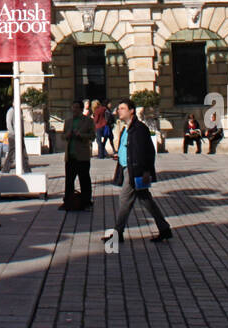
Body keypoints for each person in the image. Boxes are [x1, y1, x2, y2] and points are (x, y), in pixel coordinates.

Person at [105, 98, 172, 245]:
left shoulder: (139, 128)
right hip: (126, 168)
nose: (118, 111)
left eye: (122, 108)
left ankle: (118, 234)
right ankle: (164, 228)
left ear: (131, 111)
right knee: (146, 200)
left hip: (135, 170)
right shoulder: (125, 128)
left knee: (124, 199)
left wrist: (146, 171)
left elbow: (148, 151)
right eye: (118, 108)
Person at [61, 100, 95, 210]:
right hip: (70, 156)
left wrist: (81, 135)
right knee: (69, 180)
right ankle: (68, 201)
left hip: (82, 156)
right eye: (73, 107)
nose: (74, 110)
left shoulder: (88, 121)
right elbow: (63, 136)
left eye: (76, 107)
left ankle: (86, 201)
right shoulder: (68, 121)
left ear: (81, 109)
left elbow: (92, 136)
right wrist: (67, 135)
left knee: (84, 180)